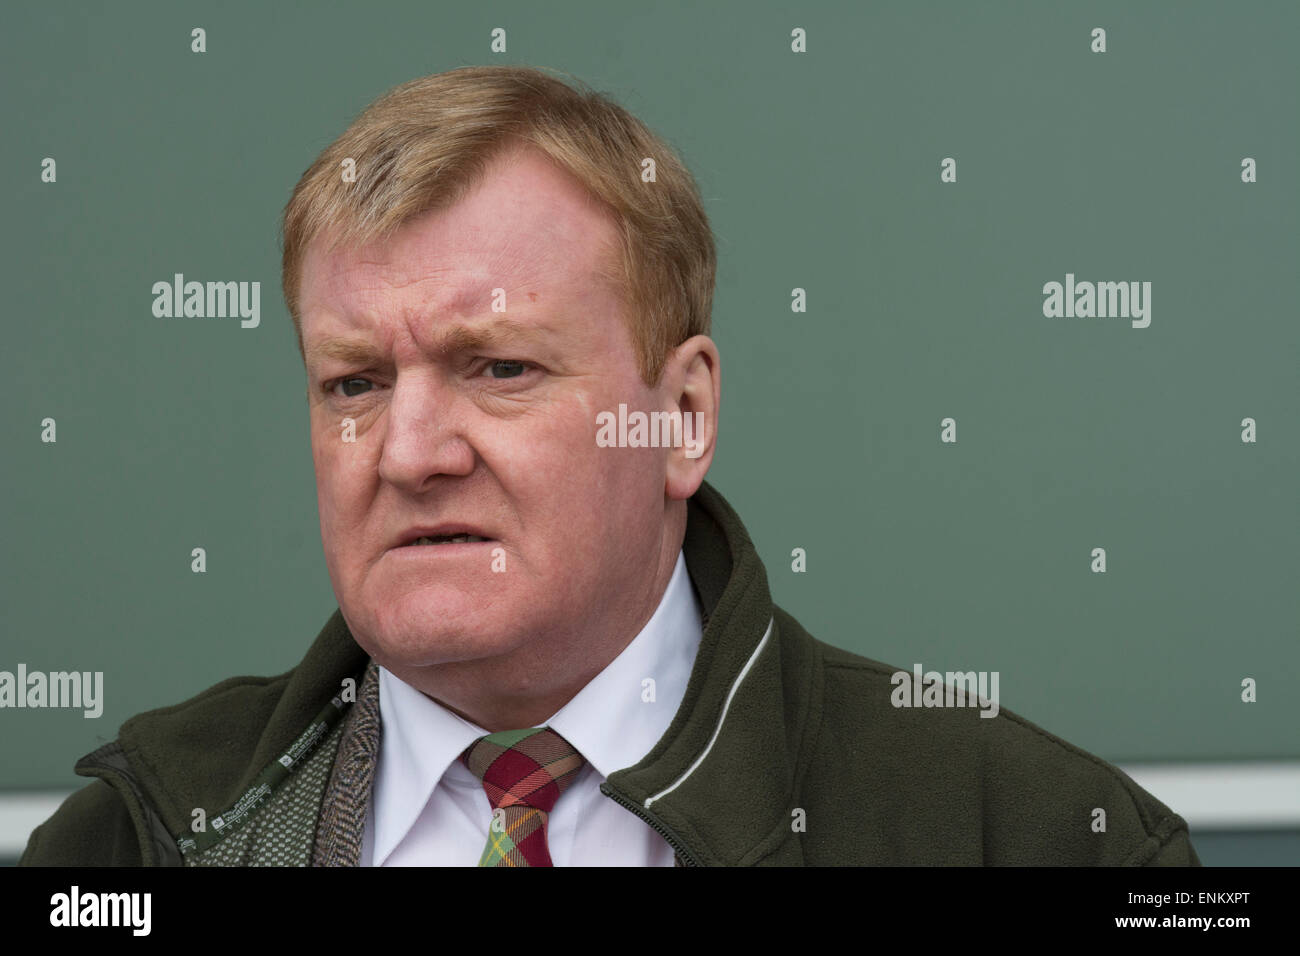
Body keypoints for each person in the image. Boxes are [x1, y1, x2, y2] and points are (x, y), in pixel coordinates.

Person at [20, 65, 1199, 867]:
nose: (410, 453)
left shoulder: (1028, 835)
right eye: (354, 383)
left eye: (500, 369)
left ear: (682, 416)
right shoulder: (134, 842)